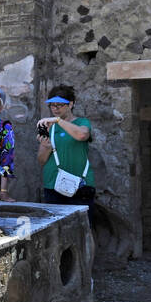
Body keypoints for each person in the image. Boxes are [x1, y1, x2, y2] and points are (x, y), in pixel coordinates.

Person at [37, 85, 96, 226]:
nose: (55, 109)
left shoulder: (82, 122)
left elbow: (82, 134)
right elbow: (41, 160)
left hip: (81, 185)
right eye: (52, 105)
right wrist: (46, 147)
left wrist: (58, 121)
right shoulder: (49, 127)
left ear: (71, 104)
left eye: (60, 105)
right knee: (56, 230)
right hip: (54, 185)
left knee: (84, 230)